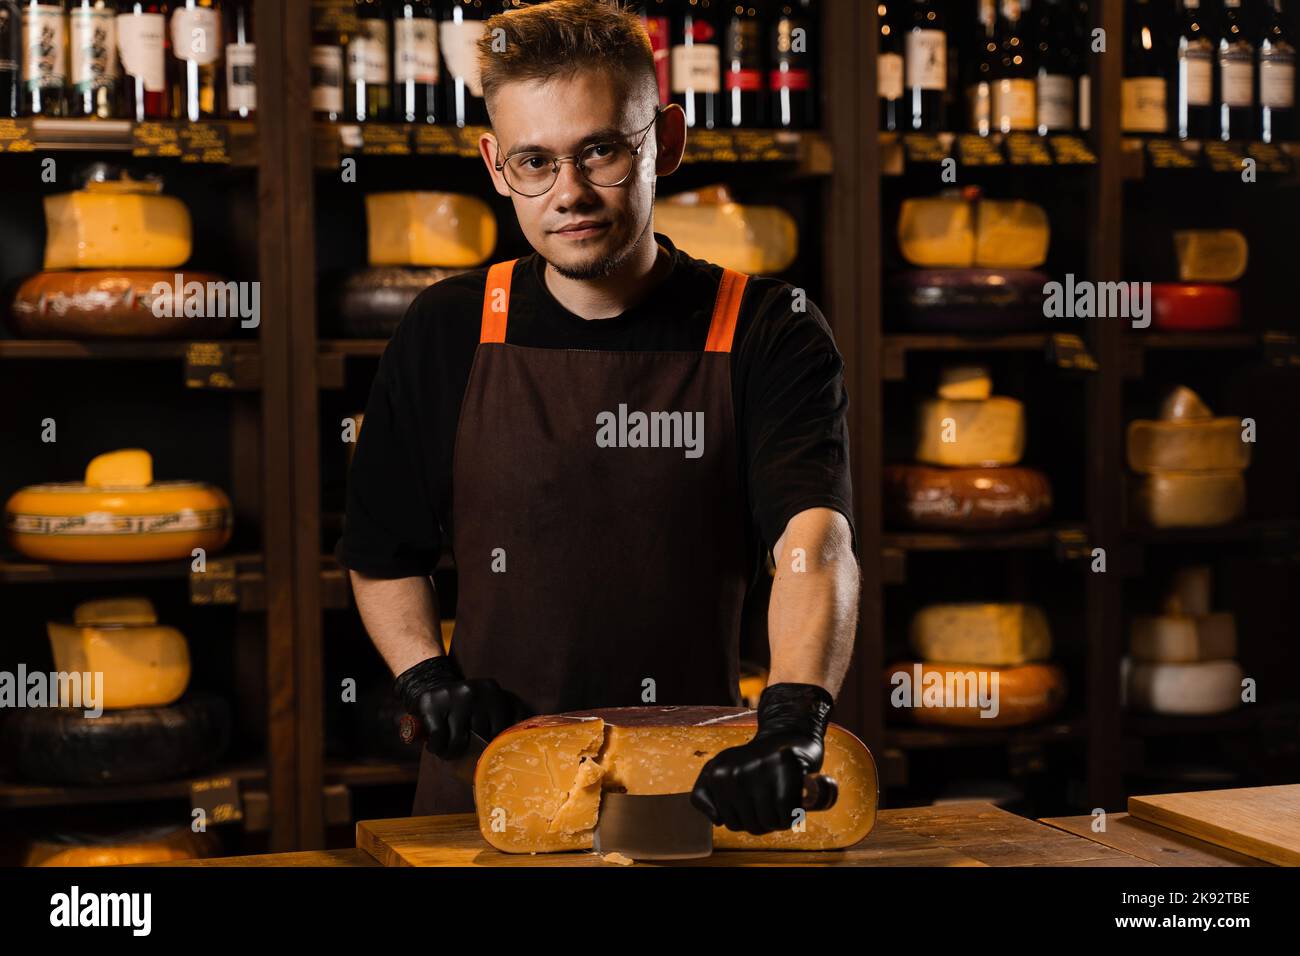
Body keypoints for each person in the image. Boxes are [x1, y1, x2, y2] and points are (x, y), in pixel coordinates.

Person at [337, 0, 860, 836]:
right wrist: (424, 676)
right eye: (534, 162)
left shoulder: (769, 329)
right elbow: (379, 551)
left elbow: (813, 540)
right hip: (489, 792)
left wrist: (795, 719)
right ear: (496, 166)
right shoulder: (448, 328)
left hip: (693, 793)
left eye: (601, 151)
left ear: (668, 141)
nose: (569, 194)